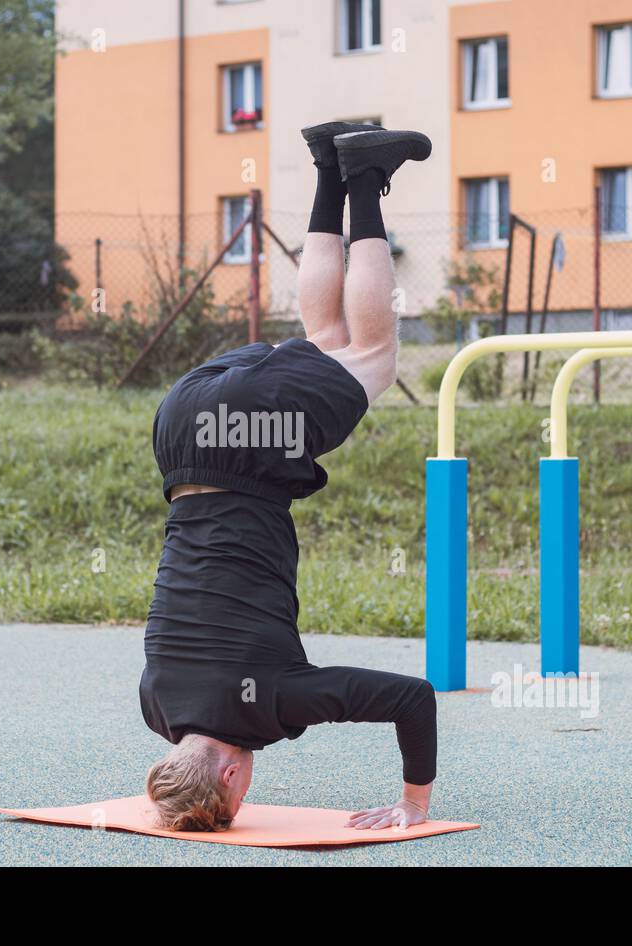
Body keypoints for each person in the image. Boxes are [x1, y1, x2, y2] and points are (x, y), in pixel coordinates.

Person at [139, 123, 436, 832]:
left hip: (247, 447)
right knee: (329, 342)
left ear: (233, 775)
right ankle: (329, 164)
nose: (248, 795)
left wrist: (413, 805)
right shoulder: (157, 705)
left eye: (239, 798)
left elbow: (414, 698)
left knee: (374, 354)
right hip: (181, 429)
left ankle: (363, 179)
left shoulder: (269, 702)